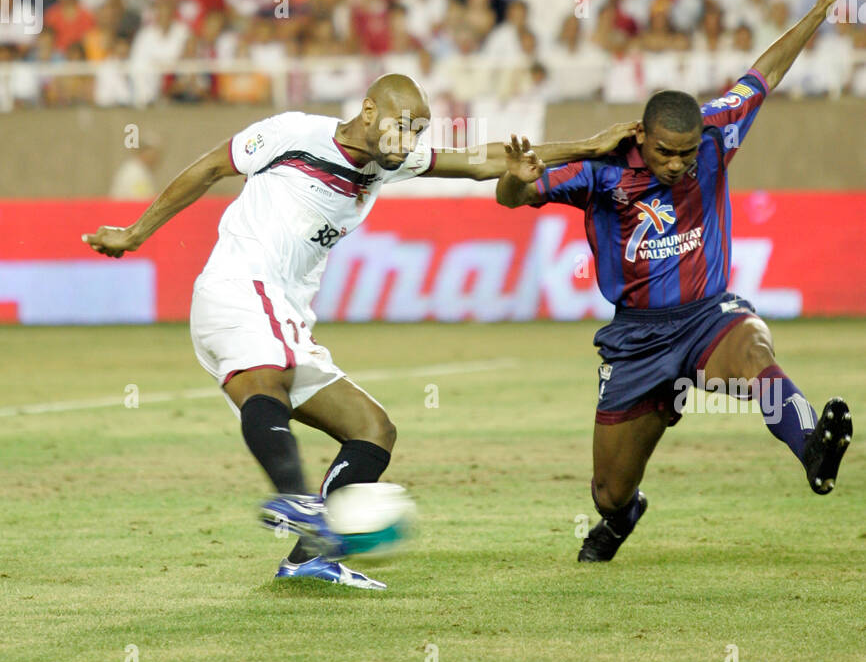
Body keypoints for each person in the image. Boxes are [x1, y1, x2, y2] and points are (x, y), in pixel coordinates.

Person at [83, 72, 635, 588]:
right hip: (239, 287)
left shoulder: (390, 161)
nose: (408, 138)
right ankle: (298, 500)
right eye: (401, 123)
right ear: (369, 110)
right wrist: (135, 233)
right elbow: (209, 168)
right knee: (267, 378)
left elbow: (480, 161)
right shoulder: (292, 133)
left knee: (373, 430)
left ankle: (310, 558)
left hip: (285, 317)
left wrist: (588, 147)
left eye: (418, 129)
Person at [496, 0, 854, 562]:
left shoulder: (716, 133)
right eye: (666, 153)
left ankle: (813, 445)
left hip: (708, 317)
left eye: (687, 155)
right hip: (637, 339)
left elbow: (763, 74)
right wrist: (513, 179)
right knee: (609, 490)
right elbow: (512, 198)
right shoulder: (602, 167)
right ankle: (620, 518)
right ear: (643, 137)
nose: (679, 165)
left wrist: (819, 12)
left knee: (754, 352)